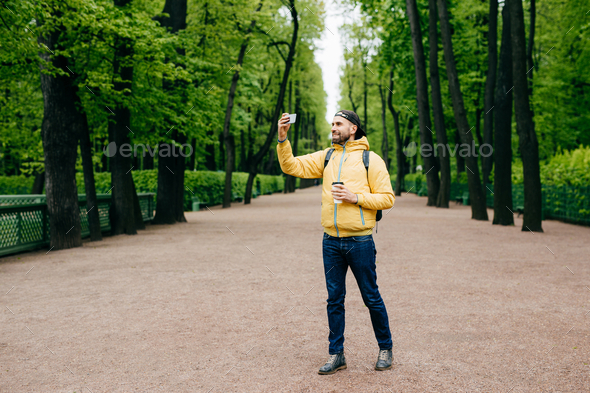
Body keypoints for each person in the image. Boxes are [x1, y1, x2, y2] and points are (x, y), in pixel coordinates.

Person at [276, 110, 395, 375]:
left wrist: (356, 197)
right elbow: (291, 166)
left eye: (338, 124)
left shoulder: (370, 160)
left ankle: (385, 348)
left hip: (360, 241)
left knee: (371, 297)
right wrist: (283, 140)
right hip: (330, 241)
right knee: (334, 300)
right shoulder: (327, 157)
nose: (333, 127)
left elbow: (387, 198)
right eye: (332, 123)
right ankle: (336, 354)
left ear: (353, 128)